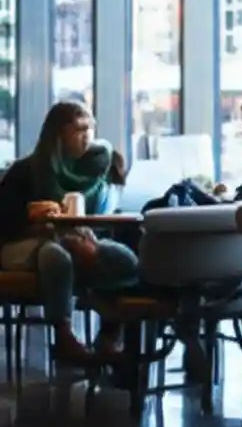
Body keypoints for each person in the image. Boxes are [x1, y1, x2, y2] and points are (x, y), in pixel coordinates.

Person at [0, 102, 139, 364]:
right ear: (58, 134)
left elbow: (103, 218)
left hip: (79, 237)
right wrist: (31, 214)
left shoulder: (99, 170)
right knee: (56, 256)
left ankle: (111, 331)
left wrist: (85, 238)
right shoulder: (26, 170)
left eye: (90, 128)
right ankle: (63, 336)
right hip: (22, 243)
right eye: (78, 129)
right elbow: (4, 222)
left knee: (124, 259)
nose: (87, 135)